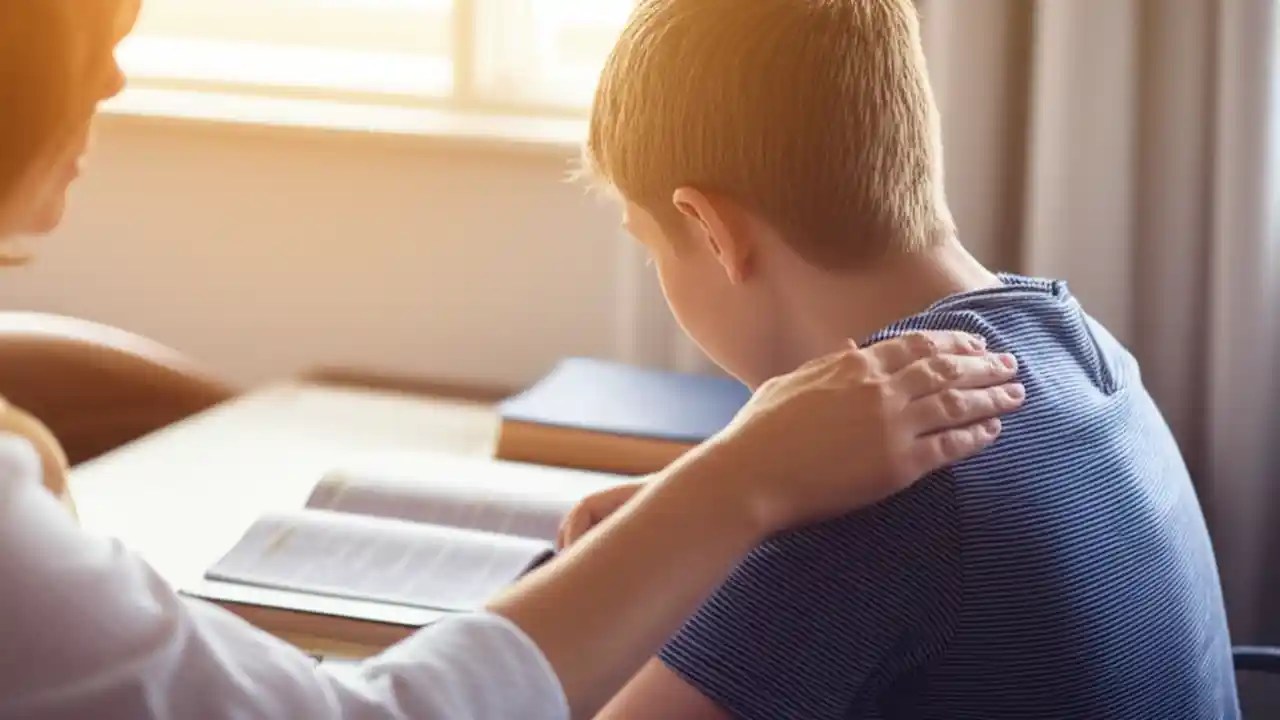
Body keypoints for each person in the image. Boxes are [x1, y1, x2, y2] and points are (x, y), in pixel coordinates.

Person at [0, 2, 1028, 719]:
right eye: (93, 24)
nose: (115, 73)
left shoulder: (894, 492)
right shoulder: (1054, 352)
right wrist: (728, 489)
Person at [563, 0, 1241, 718]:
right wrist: (693, 517)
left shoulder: (882, 488)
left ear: (712, 230)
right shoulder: (1081, 347)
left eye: (649, 245)